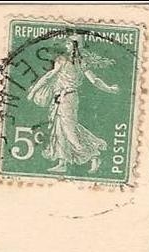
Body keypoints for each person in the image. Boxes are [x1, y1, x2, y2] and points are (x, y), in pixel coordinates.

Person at [26, 34, 120, 174]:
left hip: (67, 99)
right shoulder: (80, 62)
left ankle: (93, 155)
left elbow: (49, 76)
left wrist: (34, 90)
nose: (66, 46)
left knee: (69, 131)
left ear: (73, 46)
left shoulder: (65, 61)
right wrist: (109, 89)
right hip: (63, 98)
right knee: (60, 129)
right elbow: (95, 80)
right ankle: (62, 162)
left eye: (69, 44)